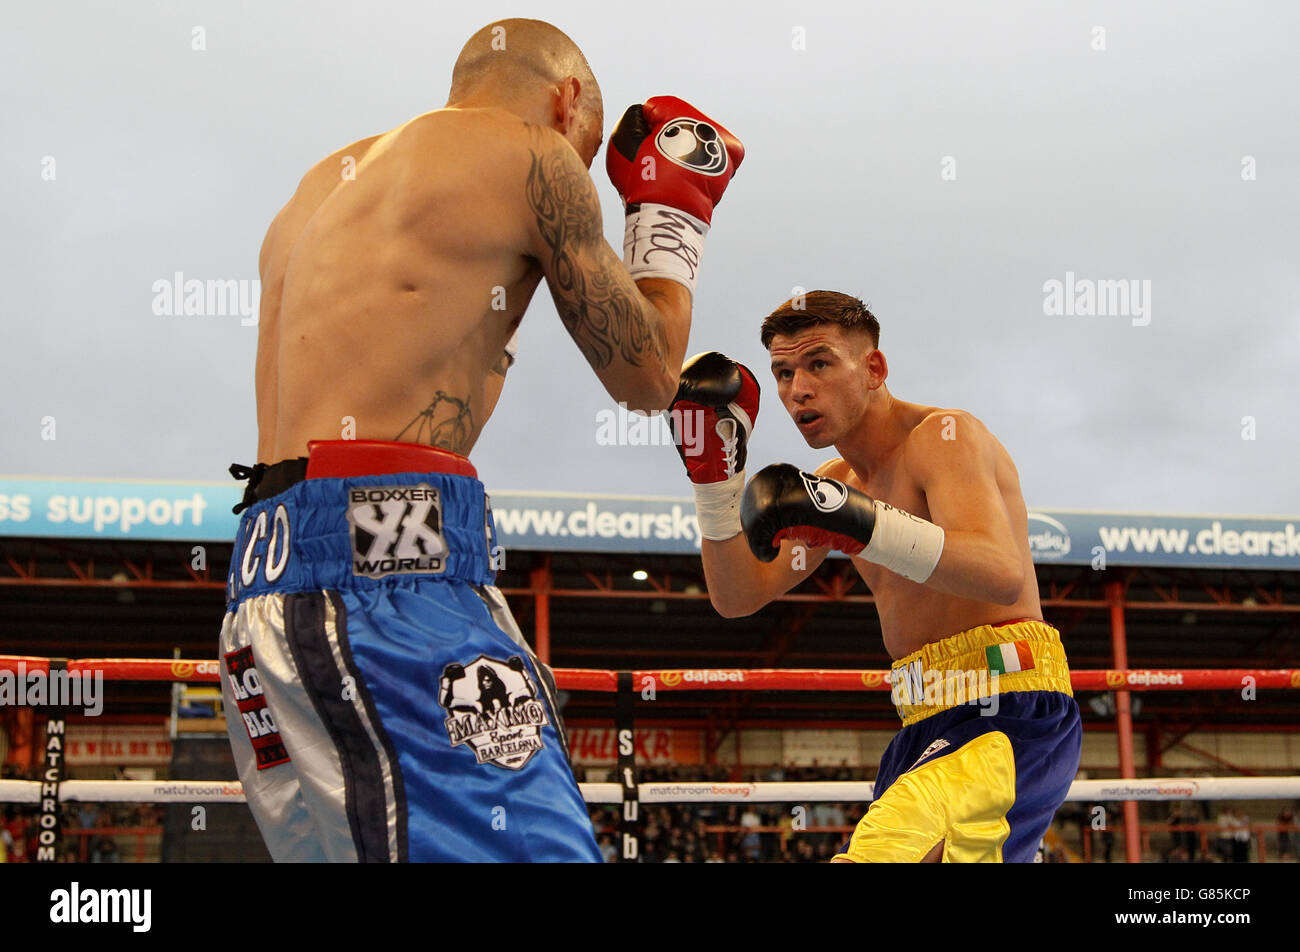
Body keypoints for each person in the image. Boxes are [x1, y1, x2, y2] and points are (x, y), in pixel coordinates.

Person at [221, 18, 743, 862]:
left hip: (276, 580)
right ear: (566, 98)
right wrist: (667, 216)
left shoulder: (328, 180)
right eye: (590, 144)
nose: (585, 171)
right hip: (387, 583)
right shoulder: (531, 154)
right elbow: (649, 376)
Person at [668, 291, 1081, 862]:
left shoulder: (944, 437)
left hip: (1006, 708)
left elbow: (1000, 573)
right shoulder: (834, 483)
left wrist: (862, 524)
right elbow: (737, 596)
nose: (798, 389)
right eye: (783, 373)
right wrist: (715, 482)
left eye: (819, 364)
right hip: (922, 721)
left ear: (873, 369)